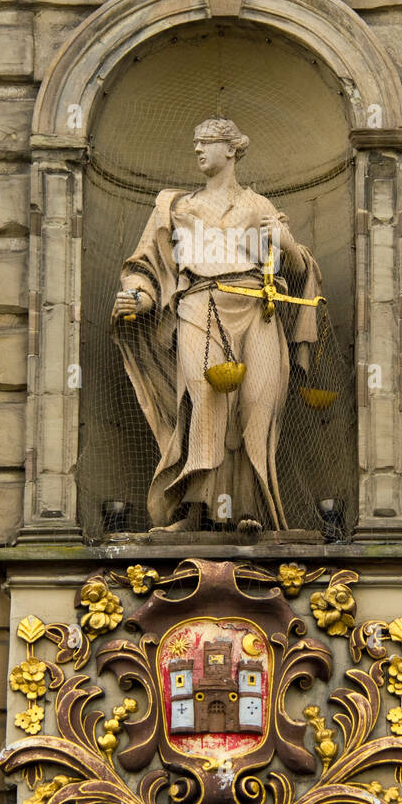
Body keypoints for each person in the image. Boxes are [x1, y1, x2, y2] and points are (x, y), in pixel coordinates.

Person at [111, 117, 324, 532]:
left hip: (257, 310)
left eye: (205, 142)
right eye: (196, 143)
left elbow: (298, 275)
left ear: (231, 150)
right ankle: (196, 515)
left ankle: (252, 512)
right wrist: (139, 296)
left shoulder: (259, 206)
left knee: (257, 407)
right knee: (204, 404)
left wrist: (285, 244)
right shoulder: (177, 207)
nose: (197, 150)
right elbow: (149, 266)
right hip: (199, 306)